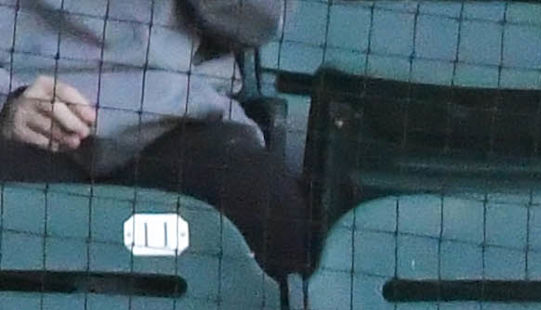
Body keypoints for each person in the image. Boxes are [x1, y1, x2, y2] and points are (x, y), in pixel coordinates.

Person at [0, 0, 312, 277]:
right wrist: (7, 104)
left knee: (266, 208)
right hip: (31, 108)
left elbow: (258, 22)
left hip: (176, 114)